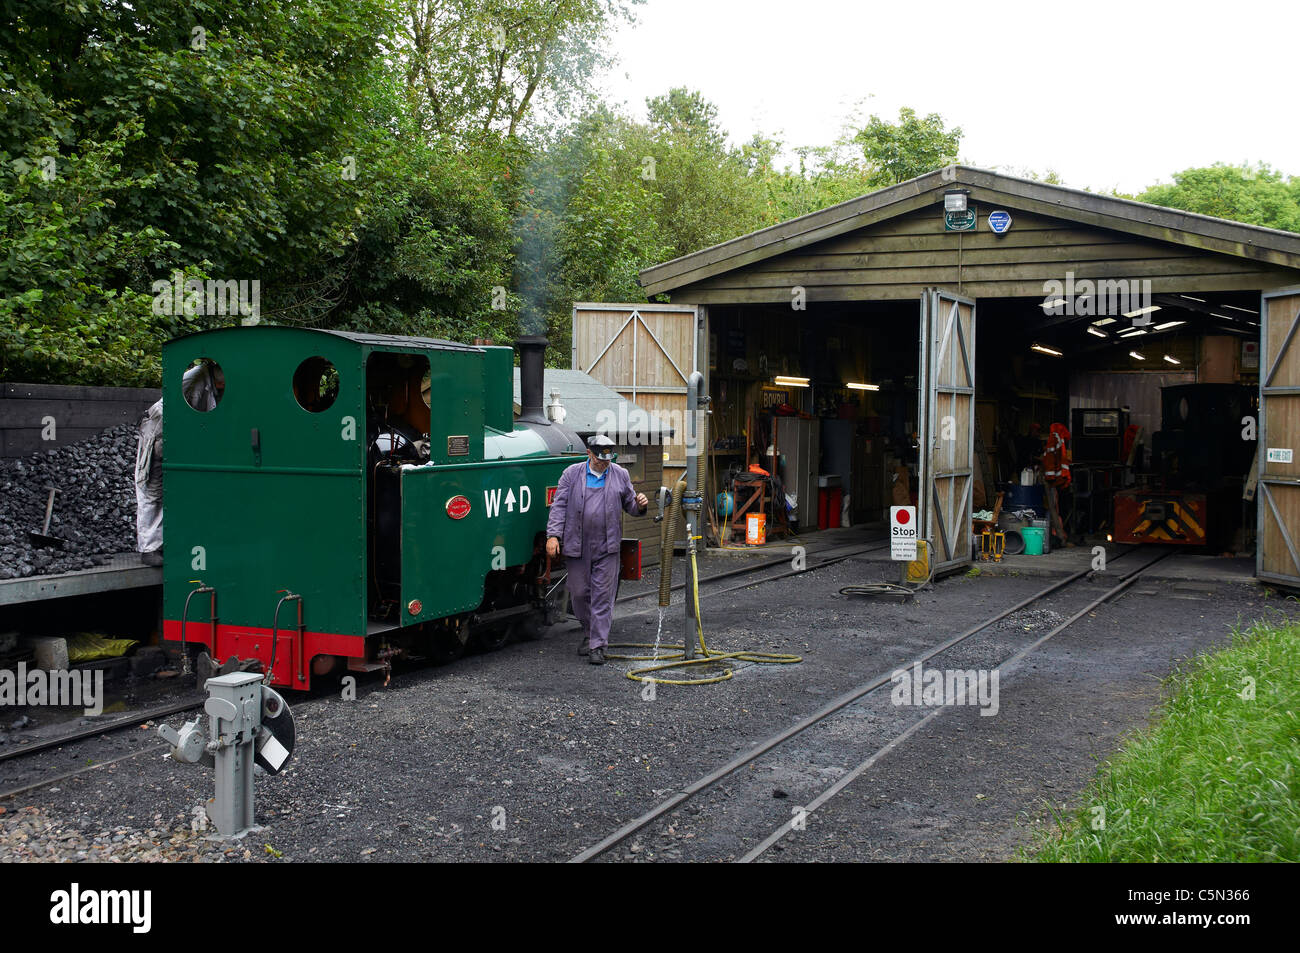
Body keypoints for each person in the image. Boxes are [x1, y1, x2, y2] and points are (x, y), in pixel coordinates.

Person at [545, 434, 648, 665]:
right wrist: (553, 535)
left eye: (608, 457)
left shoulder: (620, 474)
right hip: (577, 544)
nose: (604, 462)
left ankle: (597, 646)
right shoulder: (571, 474)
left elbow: (630, 505)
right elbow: (559, 506)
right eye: (600, 457)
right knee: (580, 595)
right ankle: (590, 634)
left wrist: (640, 504)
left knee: (602, 596)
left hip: (607, 545)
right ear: (589, 454)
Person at [135, 362, 223, 566]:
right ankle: (148, 548)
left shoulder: (208, 381)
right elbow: (179, 410)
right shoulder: (196, 379)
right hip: (160, 433)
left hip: (176, 436)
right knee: (153, 489)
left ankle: (166, 541)